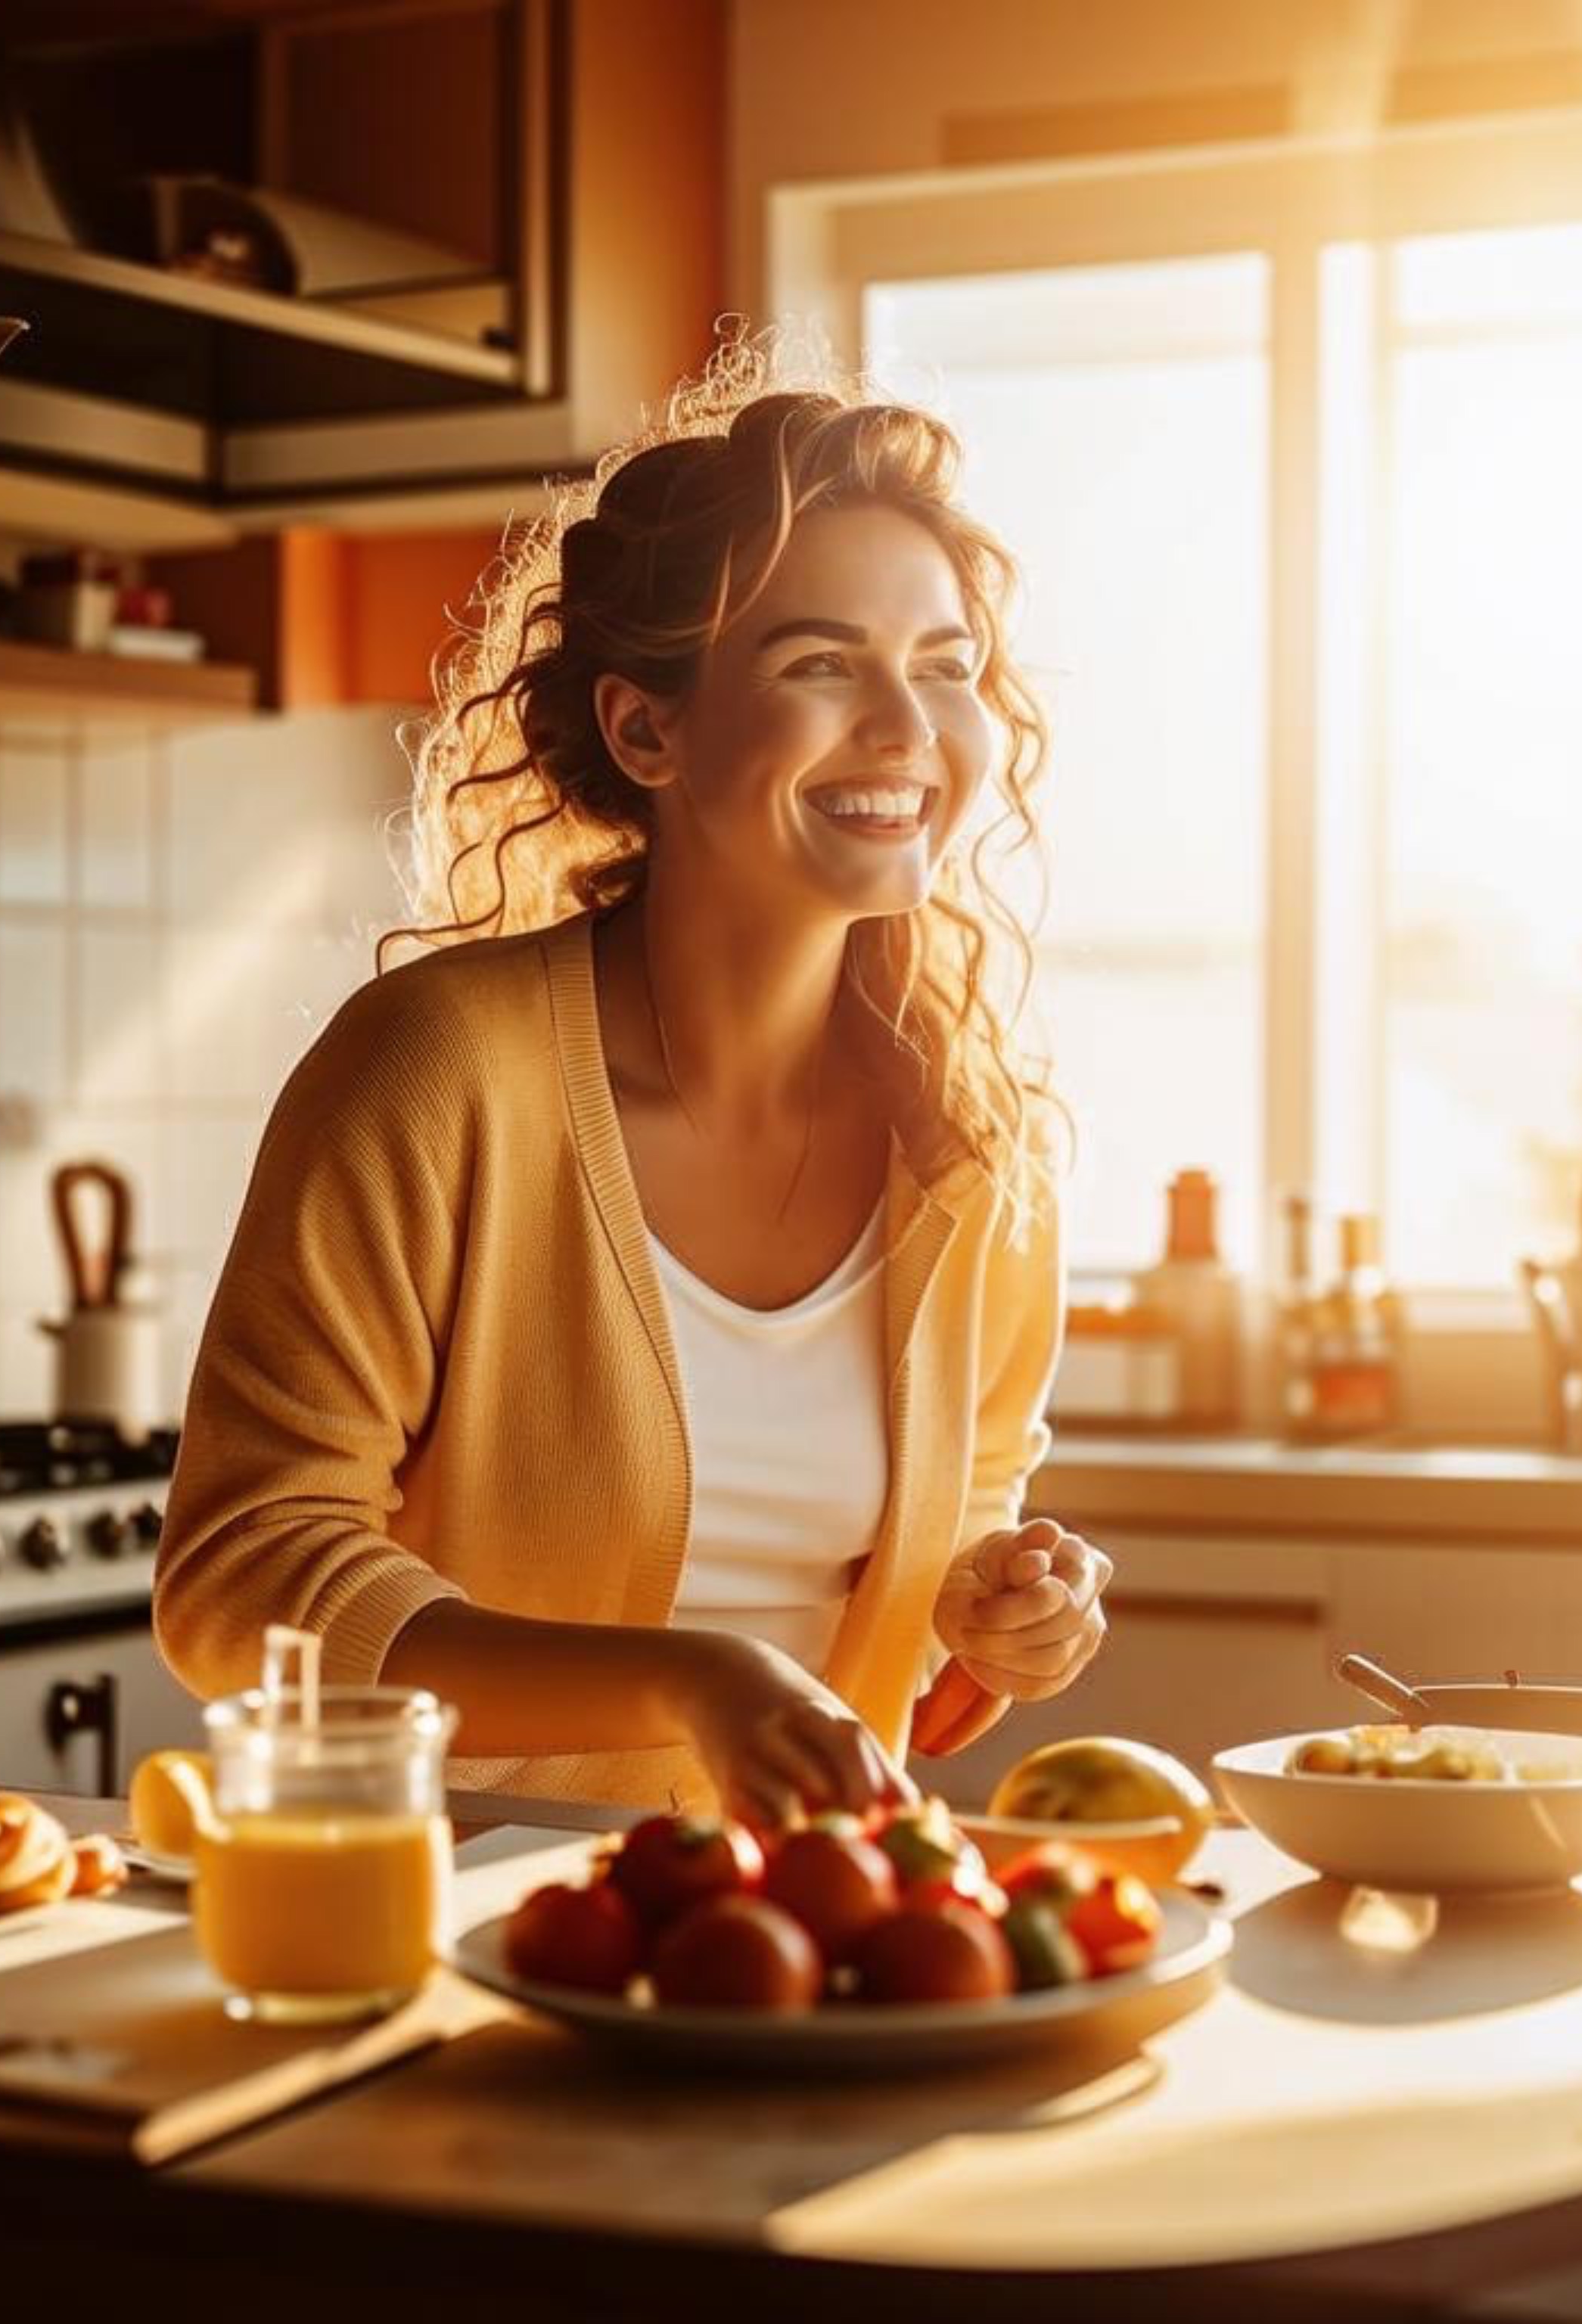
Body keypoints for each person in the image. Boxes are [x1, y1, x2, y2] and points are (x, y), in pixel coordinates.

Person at [153, 335, 1111, 1828]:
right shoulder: (433, 1071)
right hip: (430, 1907)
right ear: (645, 727)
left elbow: (958, 1522)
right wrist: (690, 1682)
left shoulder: (969, 1140)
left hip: (789, 1914)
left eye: (945, 667)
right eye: (821, 664)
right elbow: (245, 1578)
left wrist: (994, 1604)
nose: (908, 727)